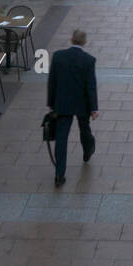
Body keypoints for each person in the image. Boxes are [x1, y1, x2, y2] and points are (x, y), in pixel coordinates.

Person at [47, 28, 98, 187]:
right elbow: (90, 86)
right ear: (84, 42)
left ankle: (59, 175)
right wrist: (94, 108)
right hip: (82, 104)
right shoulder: (88, 60)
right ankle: (88, 150)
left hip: (62, 104)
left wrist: (52, 103)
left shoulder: (58, 57)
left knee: (61, 138)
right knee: (85, 129)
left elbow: (52, 82)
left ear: (71, 39)